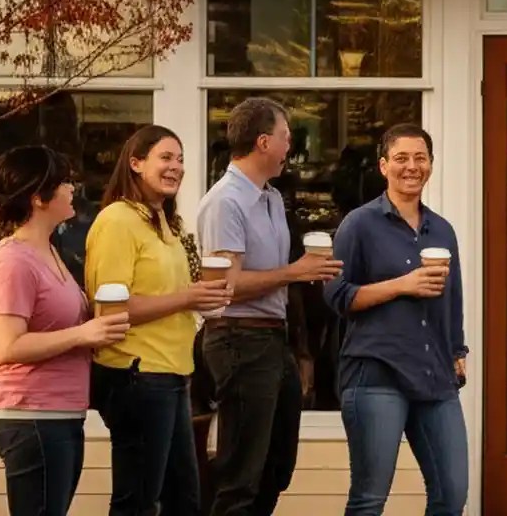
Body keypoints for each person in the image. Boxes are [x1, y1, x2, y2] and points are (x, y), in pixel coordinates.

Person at [199, 97, 343, 516]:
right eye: (285, 138)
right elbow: (225, 287)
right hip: (237, 339)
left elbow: (285, 278)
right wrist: (294, 272)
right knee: (240, 475)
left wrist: (300, 350)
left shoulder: (272, 198)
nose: (289, 147)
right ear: (263, 142)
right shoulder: (225, 201)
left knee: (277, 468)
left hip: (272, 340)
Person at [86, 125, 233, 516]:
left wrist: (204, 296)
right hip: (136, 374)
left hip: (171, 373)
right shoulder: (117, 220)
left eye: (180, 159)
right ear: (135, 163)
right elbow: (111, 310)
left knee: (184, 499)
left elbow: (173, 297)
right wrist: (187, 296)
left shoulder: (164, 222)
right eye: (165, 158)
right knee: (138, 500)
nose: (176, 167)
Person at [324, 123, 469, 516]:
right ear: (383, 165)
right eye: (401, 158)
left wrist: (458, 349)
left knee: (452, 493)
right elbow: (336, 296)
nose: (412, 167)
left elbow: (452, 298)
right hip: (376, 373)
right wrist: (402, 285)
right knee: (370, 499)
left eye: (420, 158)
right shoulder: (359, 224)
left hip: (434, 375)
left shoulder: (442, 230)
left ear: (431, 165)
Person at [0, 146, 131, 516]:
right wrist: (84, 334)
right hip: (30, 414)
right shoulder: (13, 260)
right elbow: (6, 345)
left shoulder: (47, 250)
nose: (73, 188)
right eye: (64, 182)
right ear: (38, 197)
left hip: (58, 414)